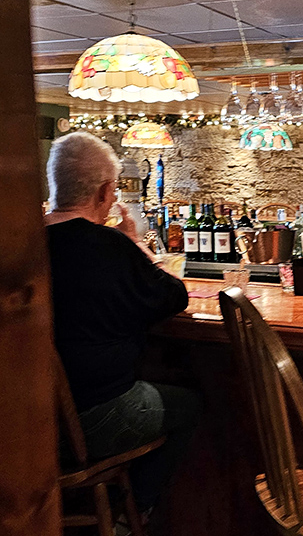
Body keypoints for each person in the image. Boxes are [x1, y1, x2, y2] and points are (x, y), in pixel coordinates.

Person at [45, 131, 201, 514]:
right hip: (92, 418)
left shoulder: (21, 241)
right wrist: (136, 247)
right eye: (112, 193)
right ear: (104, 193)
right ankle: (131, 518)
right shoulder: (110, 247)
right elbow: (174, 297)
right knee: (189, 405)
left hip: (24, 423)